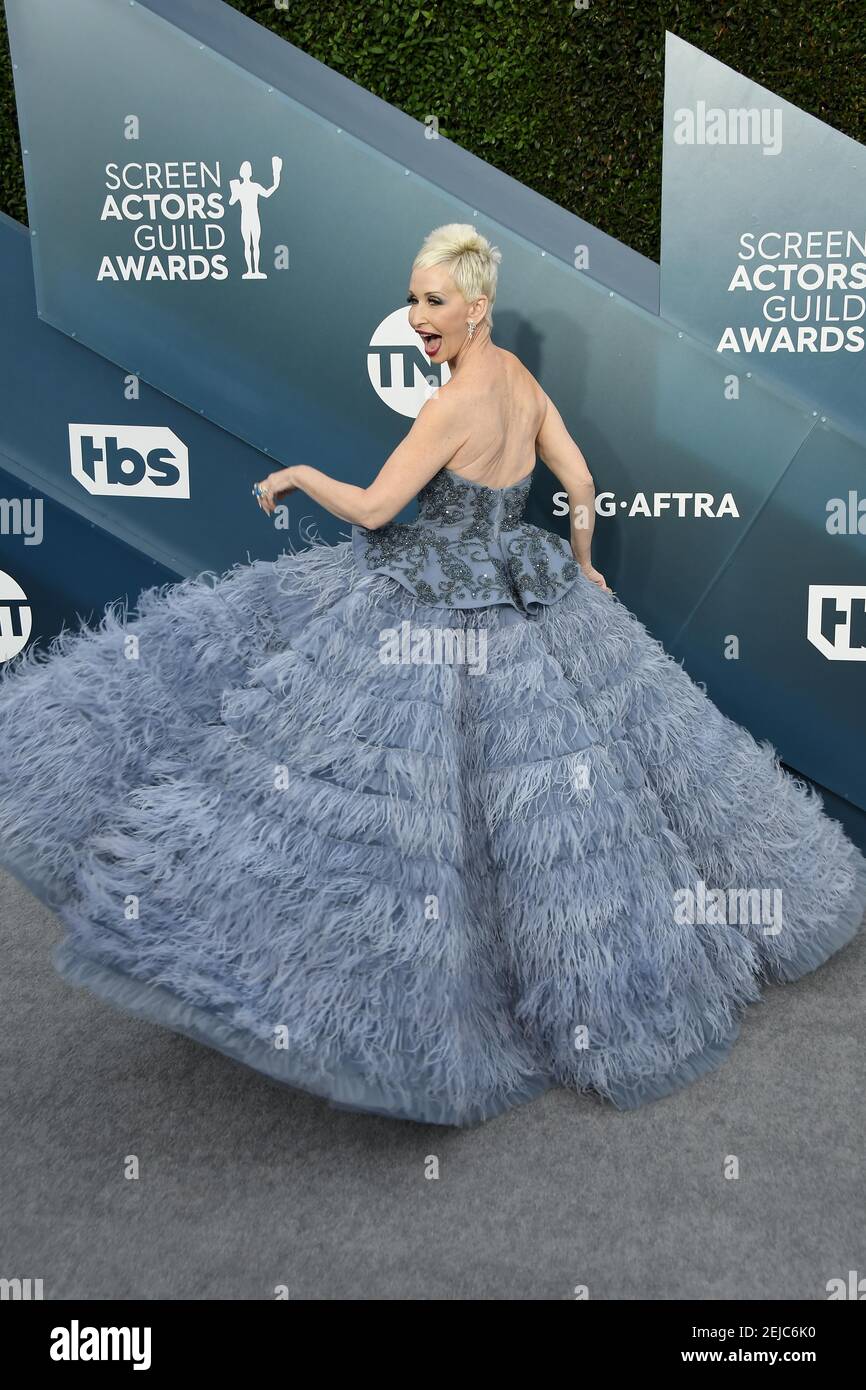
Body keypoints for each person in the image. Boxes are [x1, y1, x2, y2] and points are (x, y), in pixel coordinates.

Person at [0, 224, 864, 1127]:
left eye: (433, 302)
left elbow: (376, 509)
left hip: (428, 599)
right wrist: (585, 563)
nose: (417, 318)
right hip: (528, 595)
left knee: (385, 798)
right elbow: (581, 484)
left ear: (476, 307)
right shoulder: (525, 389)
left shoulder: (449, 407)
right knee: (543, 818)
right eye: (413, 300)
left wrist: (299, 475)